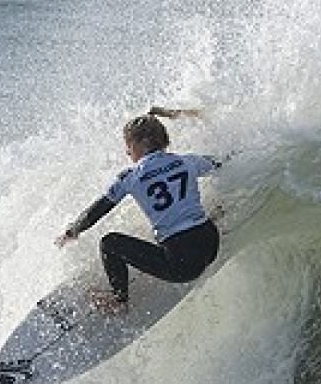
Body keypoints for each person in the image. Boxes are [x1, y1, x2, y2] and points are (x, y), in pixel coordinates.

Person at [55, 107, 221, 312]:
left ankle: (119, 301)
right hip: (211, 243)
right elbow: (220, 162)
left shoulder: (131, 176)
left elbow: (97, 210)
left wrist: (72, 231)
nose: (127, 152)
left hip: (182, 264)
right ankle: (216, 216)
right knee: (197, 216)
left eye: (129, 146)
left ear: (142, 143)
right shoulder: (187, 160)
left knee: (110, 243)